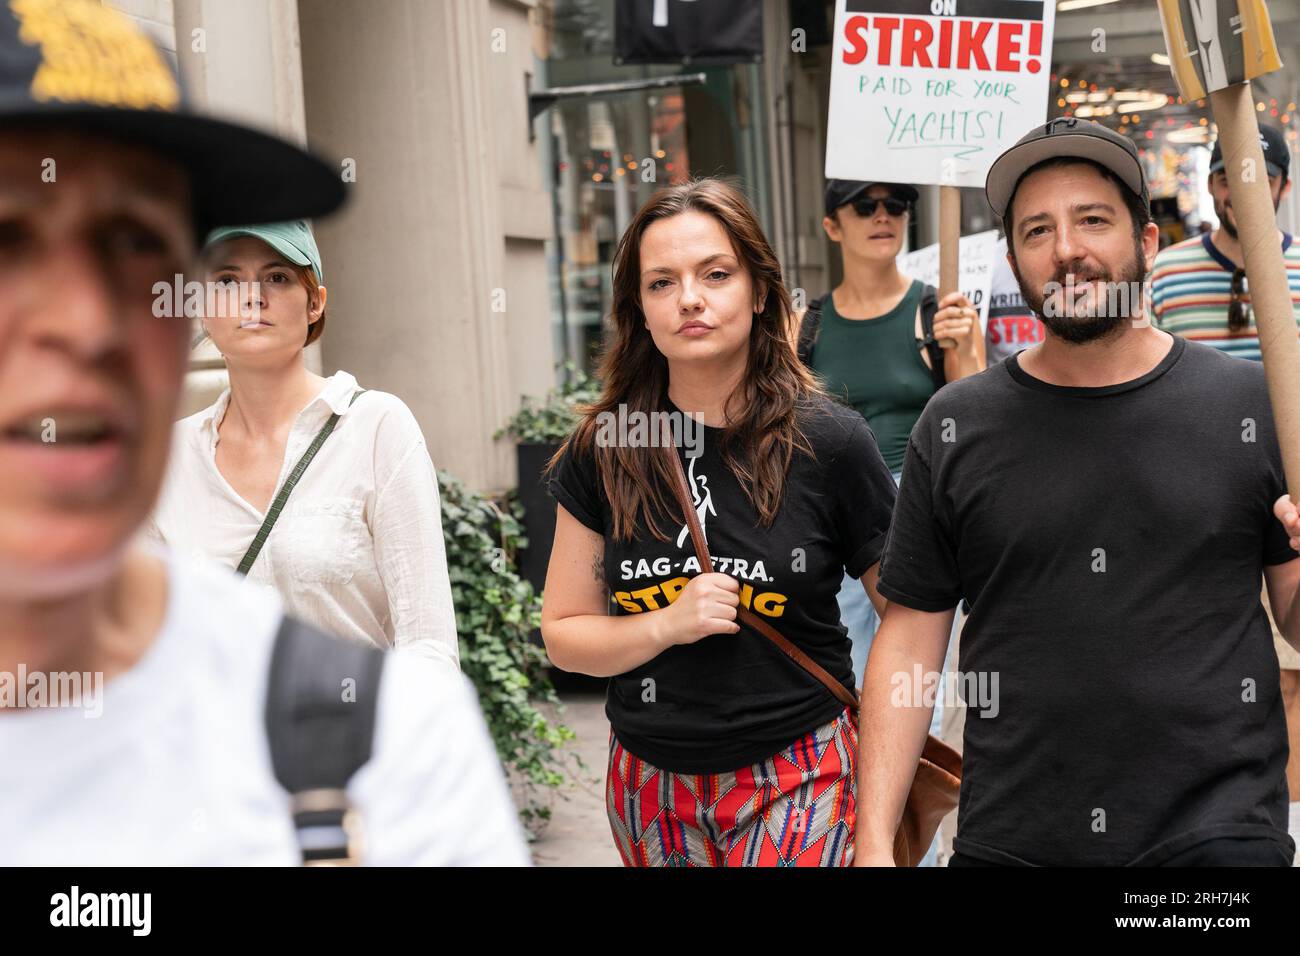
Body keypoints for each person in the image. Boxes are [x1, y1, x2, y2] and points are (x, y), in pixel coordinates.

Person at [0, 0, 526, 866]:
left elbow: (428, 638)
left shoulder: (391, 756)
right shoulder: (181, 451)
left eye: (136, 244)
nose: (86, 321)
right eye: (7, 242)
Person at [855, 117, 1299, 867]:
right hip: (1015, 836)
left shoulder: (1255, 405)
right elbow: (909, 644)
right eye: (1037, 230)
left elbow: (1294, 613)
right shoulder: (958, 423)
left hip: (1217, 840)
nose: (1067, 249)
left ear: (1148, 243)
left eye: (1093, 219)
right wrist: (873, 841)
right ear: (1015, 262)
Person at [541, 177, 898, 867]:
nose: (690, 299)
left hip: (799, 771)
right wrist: (665, 625)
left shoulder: (829, 441)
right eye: (662, 283)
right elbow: (564, 633)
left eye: (716, 274)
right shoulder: (607, 448)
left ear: (759, 292)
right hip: (649, 784)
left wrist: (878, 811)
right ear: (638, 309)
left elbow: (906, 622)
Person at [149, 220, 459, 670]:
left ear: (315, 302)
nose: (253, 296)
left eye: (277, 277)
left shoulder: (376, 427)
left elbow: (428, 643)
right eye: (227, 281)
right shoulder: (169, 456)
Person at [801, 179, 984, 865]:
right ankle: (849, 839)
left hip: (920, 517)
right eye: (865, 205)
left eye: (897, 206)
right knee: (842, 691)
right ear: (832, 225)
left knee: (920, 700)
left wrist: (964, 352)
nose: (884, 216)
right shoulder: (808, 325)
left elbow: (977, 425)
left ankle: (916, 853)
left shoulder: (939, 310)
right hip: (837, 528)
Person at [1150, 124, 1300, 851]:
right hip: (1197, 489)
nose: (1243, 190)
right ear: (1212, 189)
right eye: (1229, 178)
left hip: (1290, 492)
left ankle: (1279, 821)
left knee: (1292, 669)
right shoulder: (1170, 272)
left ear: (1282, 187)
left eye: (1260, 176)